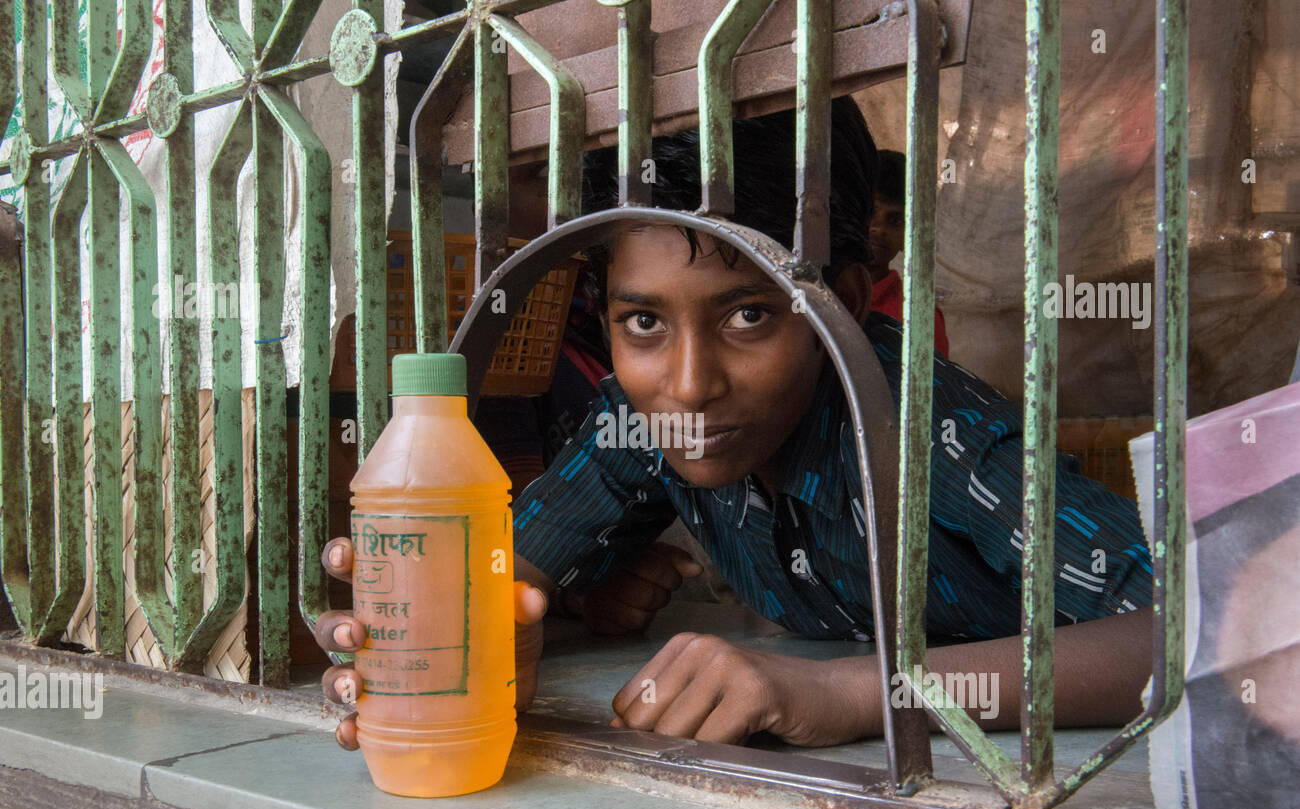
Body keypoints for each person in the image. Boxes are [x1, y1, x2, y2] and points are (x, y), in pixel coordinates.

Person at [315, 97, 1155, 748]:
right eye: (643, 322)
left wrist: (854, 692)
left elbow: (1180, 636)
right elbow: (505, 575)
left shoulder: (932, 430)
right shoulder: (639, 423)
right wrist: (437, 616)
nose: (687, 385)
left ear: (848, 306)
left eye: (749, 316)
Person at [867, 149, 951, 357]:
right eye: (870, 212)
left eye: (896, 220)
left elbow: (934, 387)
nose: (878, 228)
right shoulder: (809, 295)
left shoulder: (920, 317)